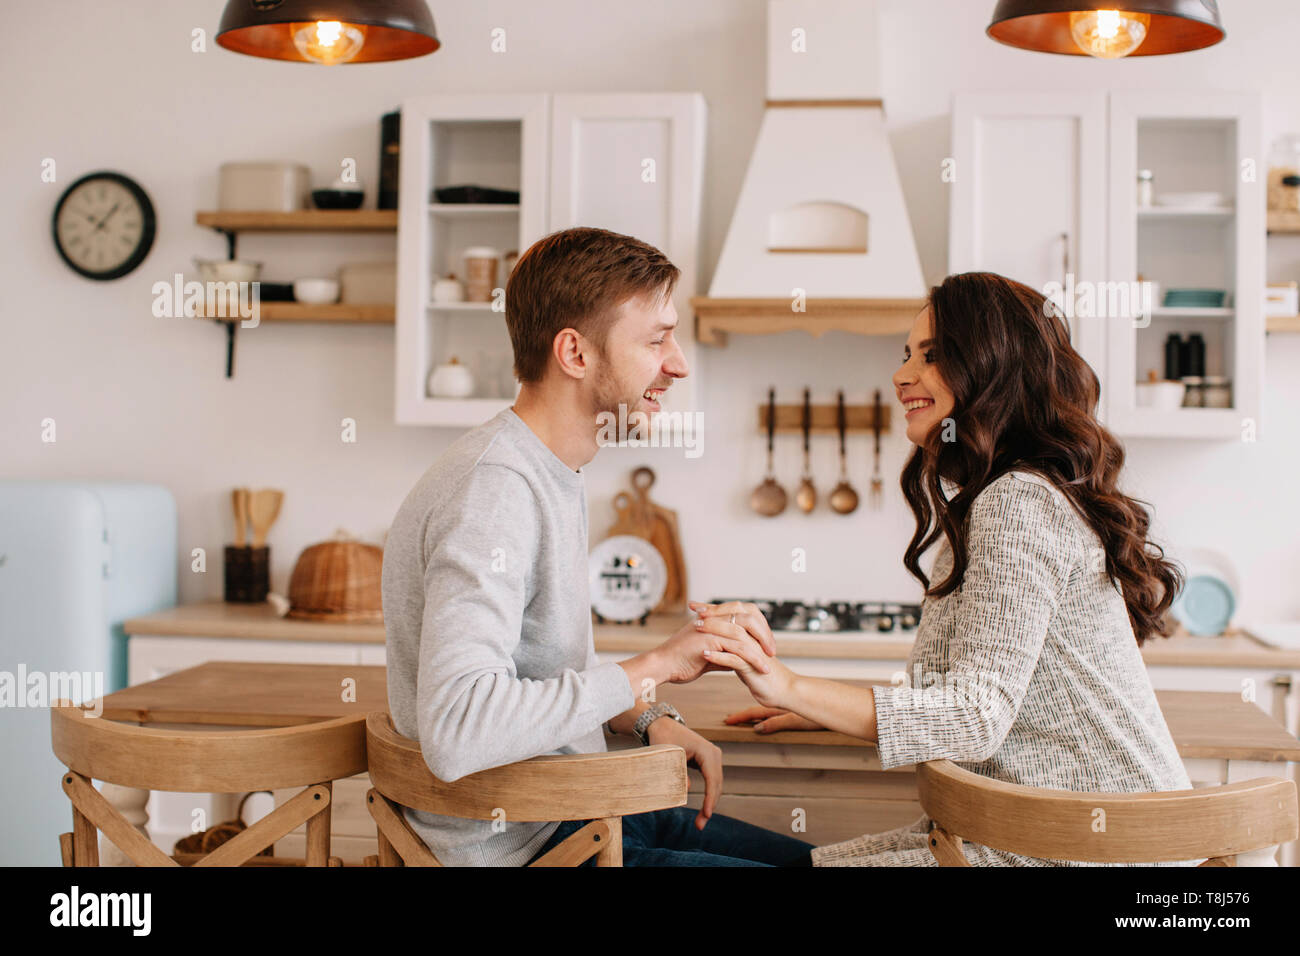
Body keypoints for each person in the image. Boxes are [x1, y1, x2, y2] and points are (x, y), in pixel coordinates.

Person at [697, 271, 1197, 866]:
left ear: (992, 369)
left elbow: (975, 717)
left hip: (1083, 849)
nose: (901, 374)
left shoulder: (1018, 501)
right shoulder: (989, 502)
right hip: (1033, 836)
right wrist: (824, 707)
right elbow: (964, 699)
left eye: (931, 357)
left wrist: (791, 685)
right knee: (697, 843)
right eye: (906, 354)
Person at [382, 226, 812, 866]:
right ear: (575, 354)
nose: (680, 363)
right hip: (528, 844)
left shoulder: (550, 468)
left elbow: (537, 680)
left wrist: (645, 717)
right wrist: (657, 664)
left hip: (574, 807)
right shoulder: (495, 491)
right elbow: (459, 727)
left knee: (818, 863)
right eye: (657, 339)